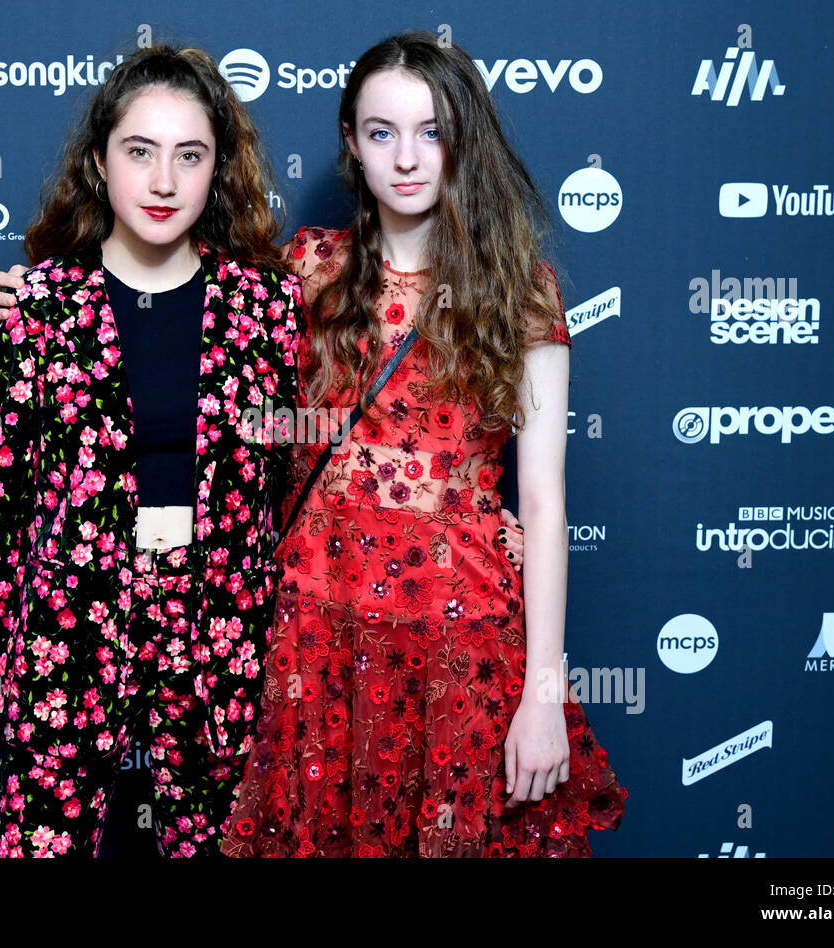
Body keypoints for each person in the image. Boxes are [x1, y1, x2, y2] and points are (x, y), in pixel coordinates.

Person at [216, 31, 627, 856]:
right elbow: (164, 304)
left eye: (431, 131)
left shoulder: (521, 293)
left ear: (462, 139)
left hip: (459, 637)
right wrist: (43, 297)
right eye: (381, 132)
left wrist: (542, 695)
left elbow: (542, 503)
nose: (406, 157)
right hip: (320, 634)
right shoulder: (303, 270)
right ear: (352, 147)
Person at [0, 43, 303, 858]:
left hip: (223, 632)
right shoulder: (40, 304)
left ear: (219, 170)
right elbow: (1, 515)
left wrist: (461, 513)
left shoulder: (268, 304)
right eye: (140, 152)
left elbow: (311, 464)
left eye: (190, 155)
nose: (164, 182)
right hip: (70, 626)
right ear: (100, 162)